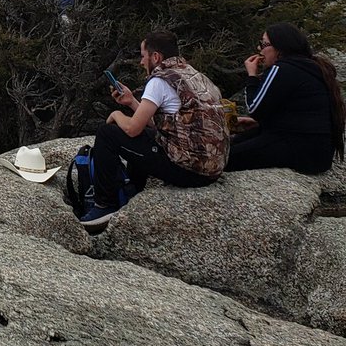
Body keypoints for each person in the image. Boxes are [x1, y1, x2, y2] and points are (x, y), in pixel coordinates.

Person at [79, 30, 229, 230]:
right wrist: (132, 102)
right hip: (211, 166)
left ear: (155, 57)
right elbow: (163, 124)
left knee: (108, 133)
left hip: (189, 169)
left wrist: (116, 114)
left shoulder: (159, 80)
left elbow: (132, 129)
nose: (141, 62)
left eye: (143, 56)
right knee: (147, 135)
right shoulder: (193, 75)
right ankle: (133, 189)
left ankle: (104, 205)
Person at [226, 23, 345, 174]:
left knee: (221, 158)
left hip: (296, 146)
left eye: (264, 44)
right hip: (318, 152)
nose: (259, 49)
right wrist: (260, 123)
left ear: (279, 48)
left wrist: (252, 76)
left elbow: (253, 108)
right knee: (232, 142)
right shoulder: (311, 67)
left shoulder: (281, 68)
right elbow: (301, 112)